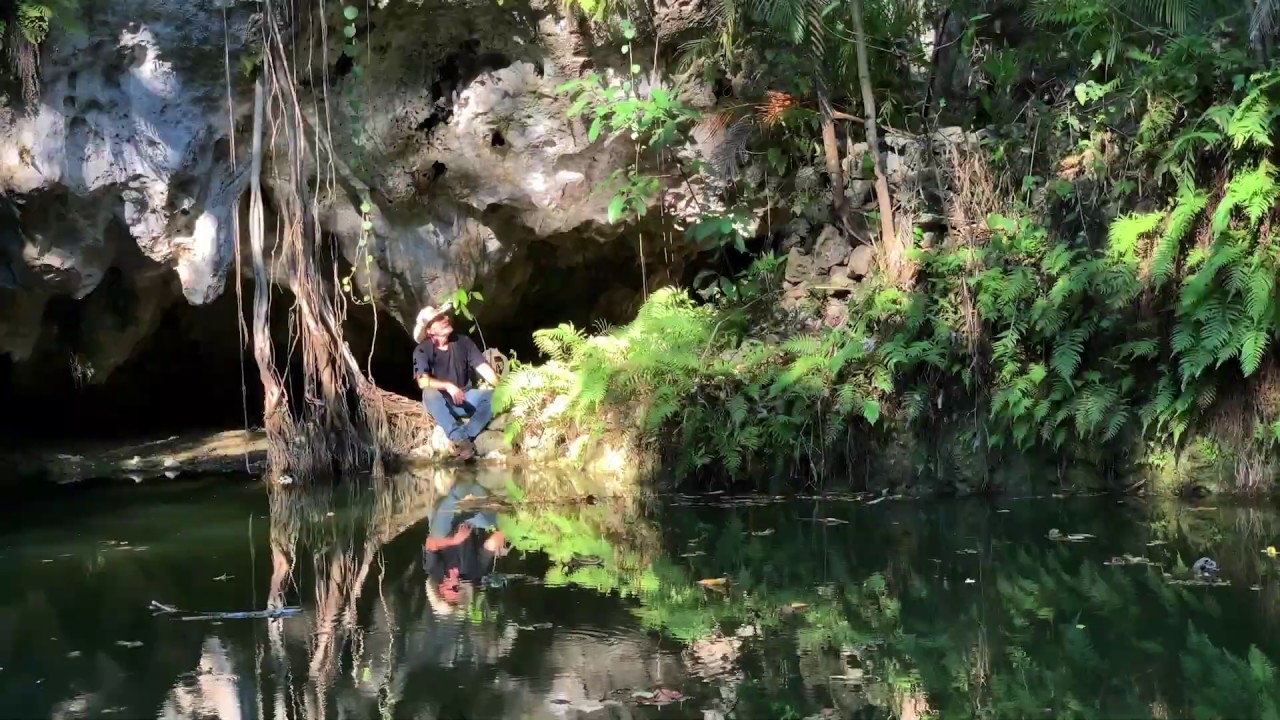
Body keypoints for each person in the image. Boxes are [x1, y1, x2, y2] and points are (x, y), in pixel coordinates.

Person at [412, 303, 500, 460]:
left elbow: (483, 369)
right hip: (440, 402)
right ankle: (459, 438)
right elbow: (422, 382)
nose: (445, 319)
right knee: (429, 392)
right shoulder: (422, 350)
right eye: (438, 319)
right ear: (430, 330)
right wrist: (448, 386)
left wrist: (504, 389)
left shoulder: (463, 342)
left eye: (443, 316)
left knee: (494, 397)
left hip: (464, 398)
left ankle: (465, 438)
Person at [423, 481, 507, 613]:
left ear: (441, 589)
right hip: (469, 520)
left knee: (438, 532)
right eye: (458, 590)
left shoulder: (434, 570)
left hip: (445, 522)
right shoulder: (472, 573)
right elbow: (488, 548)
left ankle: (457, 490)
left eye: (452, 589)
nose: (456, 586)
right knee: (495, 521)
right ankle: (471, 485)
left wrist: (455, 541)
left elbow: (431, 542)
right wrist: (503, 533)